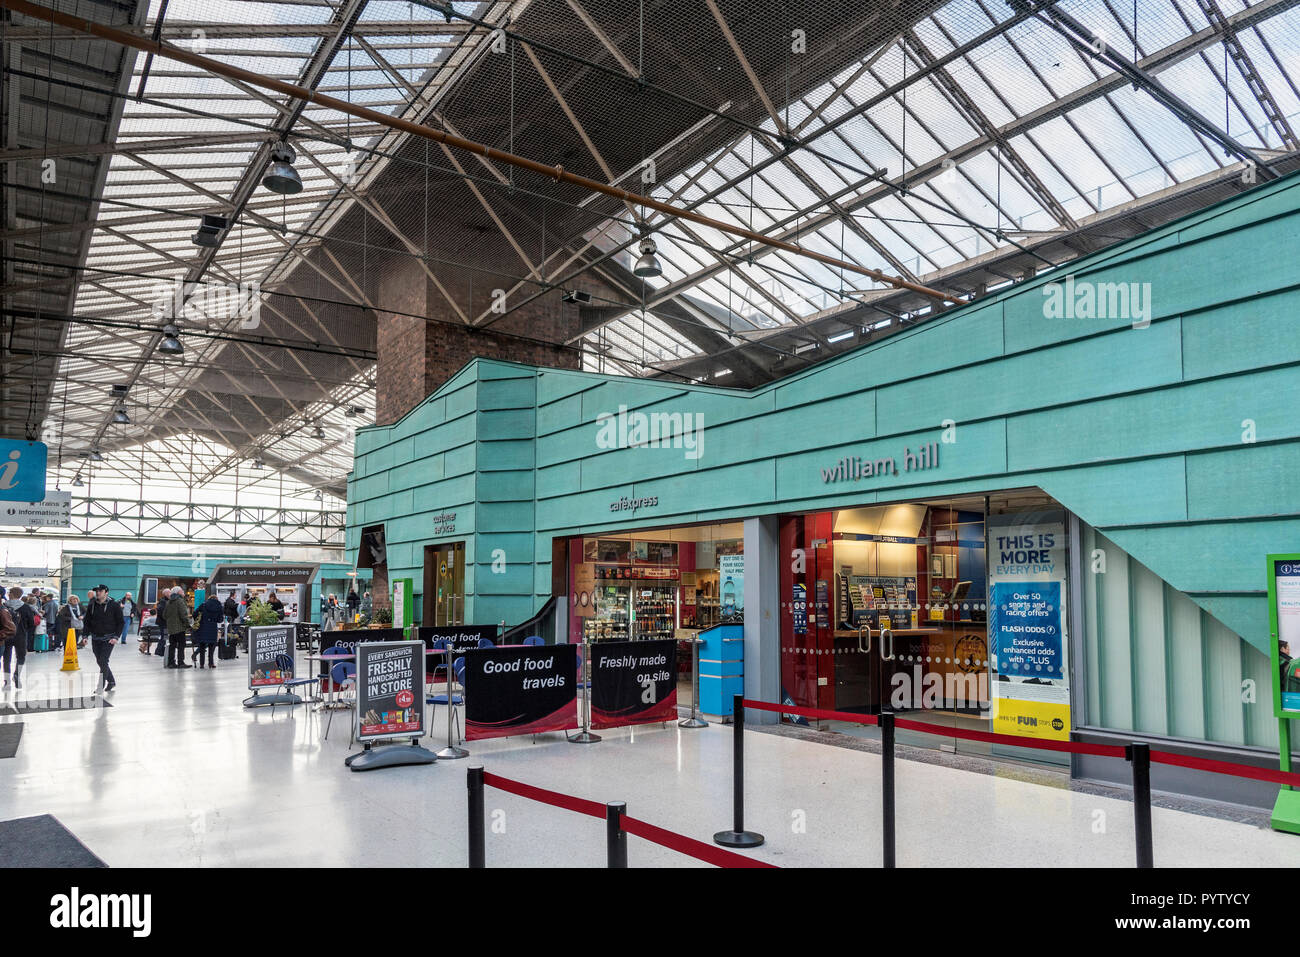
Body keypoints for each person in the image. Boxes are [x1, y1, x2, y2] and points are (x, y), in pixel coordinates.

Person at [83, 584, 124, 693]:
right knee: (100, 661)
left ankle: (100, 686)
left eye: (100, 591)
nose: (98, 593)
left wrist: (116, 637)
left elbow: (121, 622)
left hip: (109, 638)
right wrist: (85, 635)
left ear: (106, 592)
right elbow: (87, 621)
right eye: (96, 591)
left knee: (103, 660)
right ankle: (111, 681)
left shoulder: (114, 605)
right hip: (96, 638)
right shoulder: (92, 605)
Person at [3, 587, 35, 689]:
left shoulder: (4, 606)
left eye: (9, 592)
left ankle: (7, 682)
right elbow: (32, 623)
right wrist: (25, 630)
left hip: (6, 636)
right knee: (21, 657)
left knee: (6, 659)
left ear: (11, 594)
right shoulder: (26, 607)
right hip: (21, 635)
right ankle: (17, 675)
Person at [192, 593, 223, 668]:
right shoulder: (219, 606)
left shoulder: (203, 605)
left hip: (203, 627)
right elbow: (220, 619)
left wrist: (201, 618)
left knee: (202, 646)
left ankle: (202, 664)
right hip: (213, 628)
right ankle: (211, 663)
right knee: (211, 646)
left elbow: (194, 614)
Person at [164, 586, 192, 668]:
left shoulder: (169, 602)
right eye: (182, 591)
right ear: (178, 592)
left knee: (172, 646)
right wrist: (188, 625)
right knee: (181, 645)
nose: (183, 592)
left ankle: (171, 663)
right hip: (180, 628)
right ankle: (181, 662)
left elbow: (164, 615)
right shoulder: (180, 601)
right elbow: (183, 615)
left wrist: (170, 621)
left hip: (171, 629)